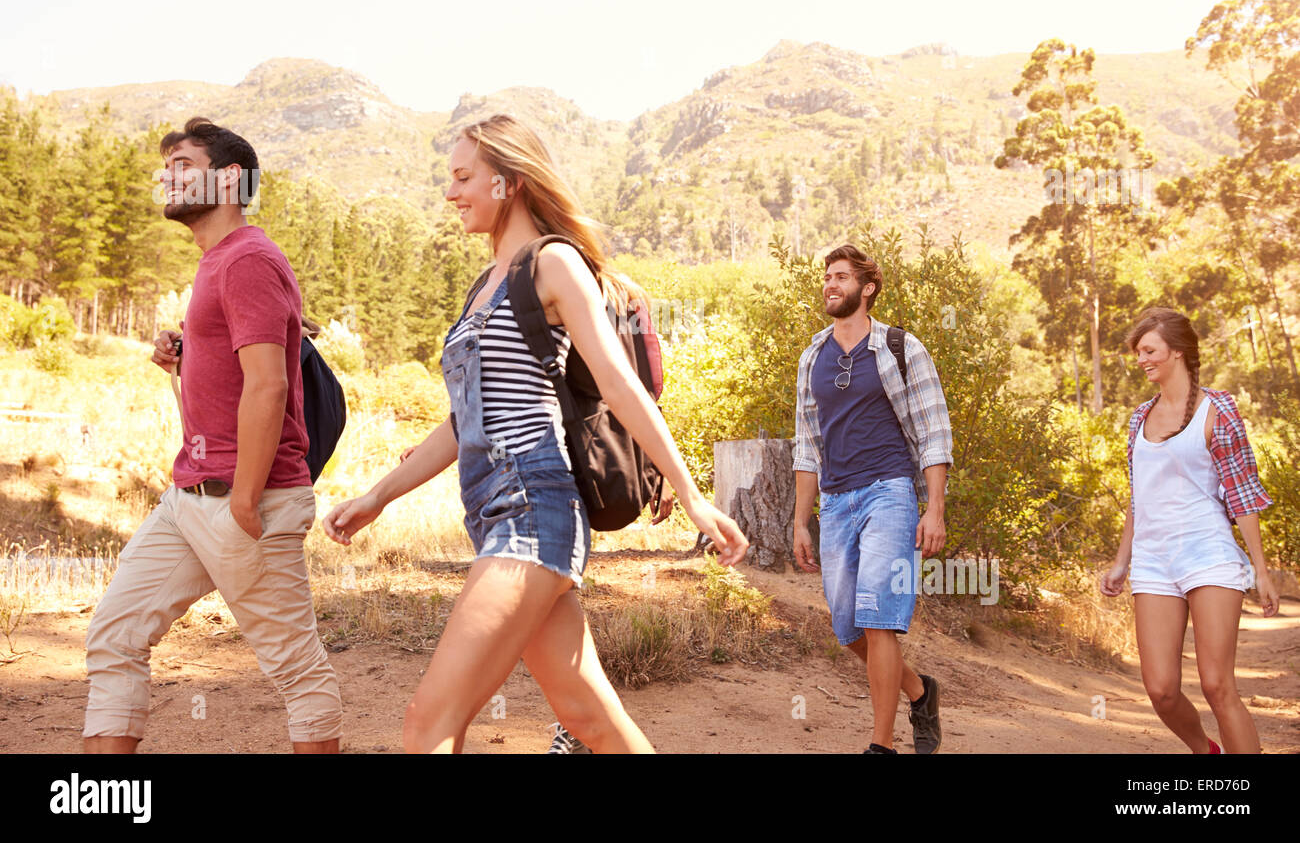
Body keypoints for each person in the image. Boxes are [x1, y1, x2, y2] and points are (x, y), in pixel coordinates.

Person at [323, 114, 747, 754]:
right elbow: (458, 423)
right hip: (493, 517)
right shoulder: (481, 288)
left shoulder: (552, 263)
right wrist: (378, 496)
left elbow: (618, 384)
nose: (450, 192)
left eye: (465, 176)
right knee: (592, 722)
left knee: (427, 723)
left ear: (510, 182)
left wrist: (692, 495)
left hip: (534, 509)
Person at [83, 118, 342, 753]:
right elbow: (236, 383)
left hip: (244, 500)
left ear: (229, 179)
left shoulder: (248, 258)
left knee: (295, 669)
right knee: (114, 636)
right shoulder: (217, 262)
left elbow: (268, 388)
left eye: (183, 165)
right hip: (189, 498)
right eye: (163, 167)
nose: (165, 177)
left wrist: (246, 501)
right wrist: (182, 360)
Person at [791, 245, 952, 754]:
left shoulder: (902, 348)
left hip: (890, 492)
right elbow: (806, 444)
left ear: (868, 288)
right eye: (827, 277)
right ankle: (921, 692)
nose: (830, 285)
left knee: (878, 616)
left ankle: (880, 746)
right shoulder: (813, 356)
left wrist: (935, 508)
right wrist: (801, 520)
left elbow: (934, 433)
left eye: (841, 277)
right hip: (836, 502)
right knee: (848, 626)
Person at [1101, 307, 1280, 753]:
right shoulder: (1138, 419)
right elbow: (1138, 496)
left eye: (1149, 350)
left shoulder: (1217, 410)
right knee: (1160, 689)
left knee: (1218, 685)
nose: (1141, 359)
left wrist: (1261, 570)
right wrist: (1122, 561)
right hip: (1154, 560)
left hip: (1208, 553)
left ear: (1177, 351)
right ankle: (1205, 749)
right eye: (1138, 352)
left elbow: (1242, 493)